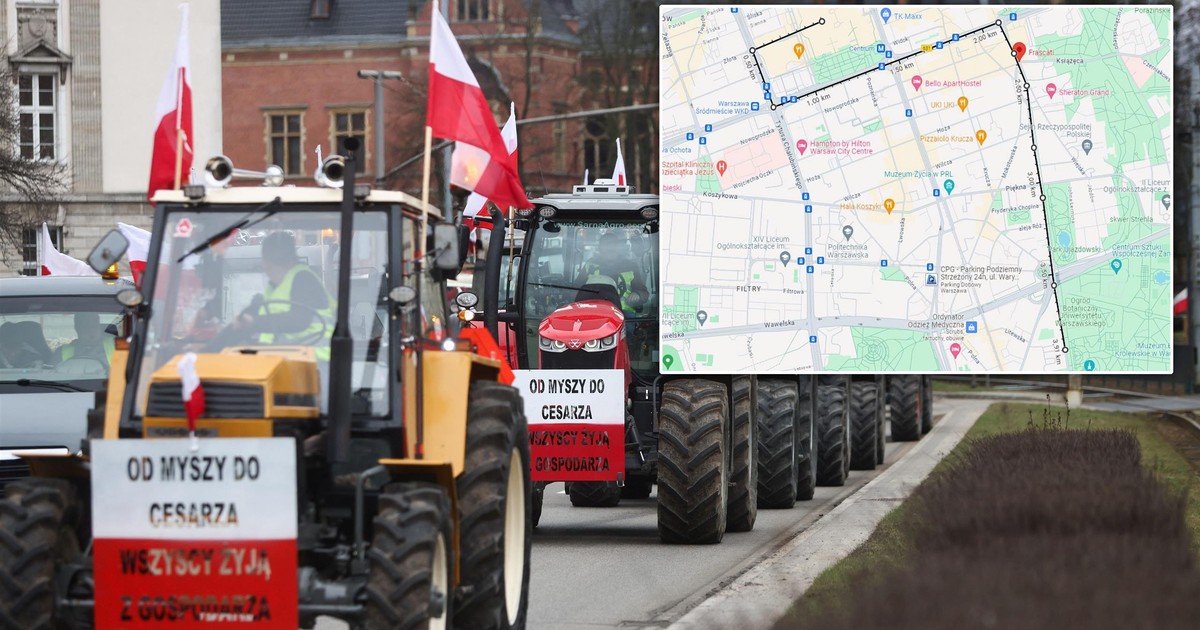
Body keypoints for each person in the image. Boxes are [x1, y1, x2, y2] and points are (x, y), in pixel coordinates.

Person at [230, 231, 335, 359]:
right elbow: (244, 326)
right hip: (290, 359)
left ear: (265, 262)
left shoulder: (303, 280)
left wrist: (254, 321)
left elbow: (299, 319)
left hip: (316, 360)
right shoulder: (274, 289)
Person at [575, 231, 649, 314]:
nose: (611, 247)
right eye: (607, 244)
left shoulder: (630, 266)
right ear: (600, 248)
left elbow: (644, 293)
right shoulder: (590, 265)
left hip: (624, 315)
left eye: (614, 244)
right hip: (594, 312)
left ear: (619, 248)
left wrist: (637, 294)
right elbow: (575, 290)